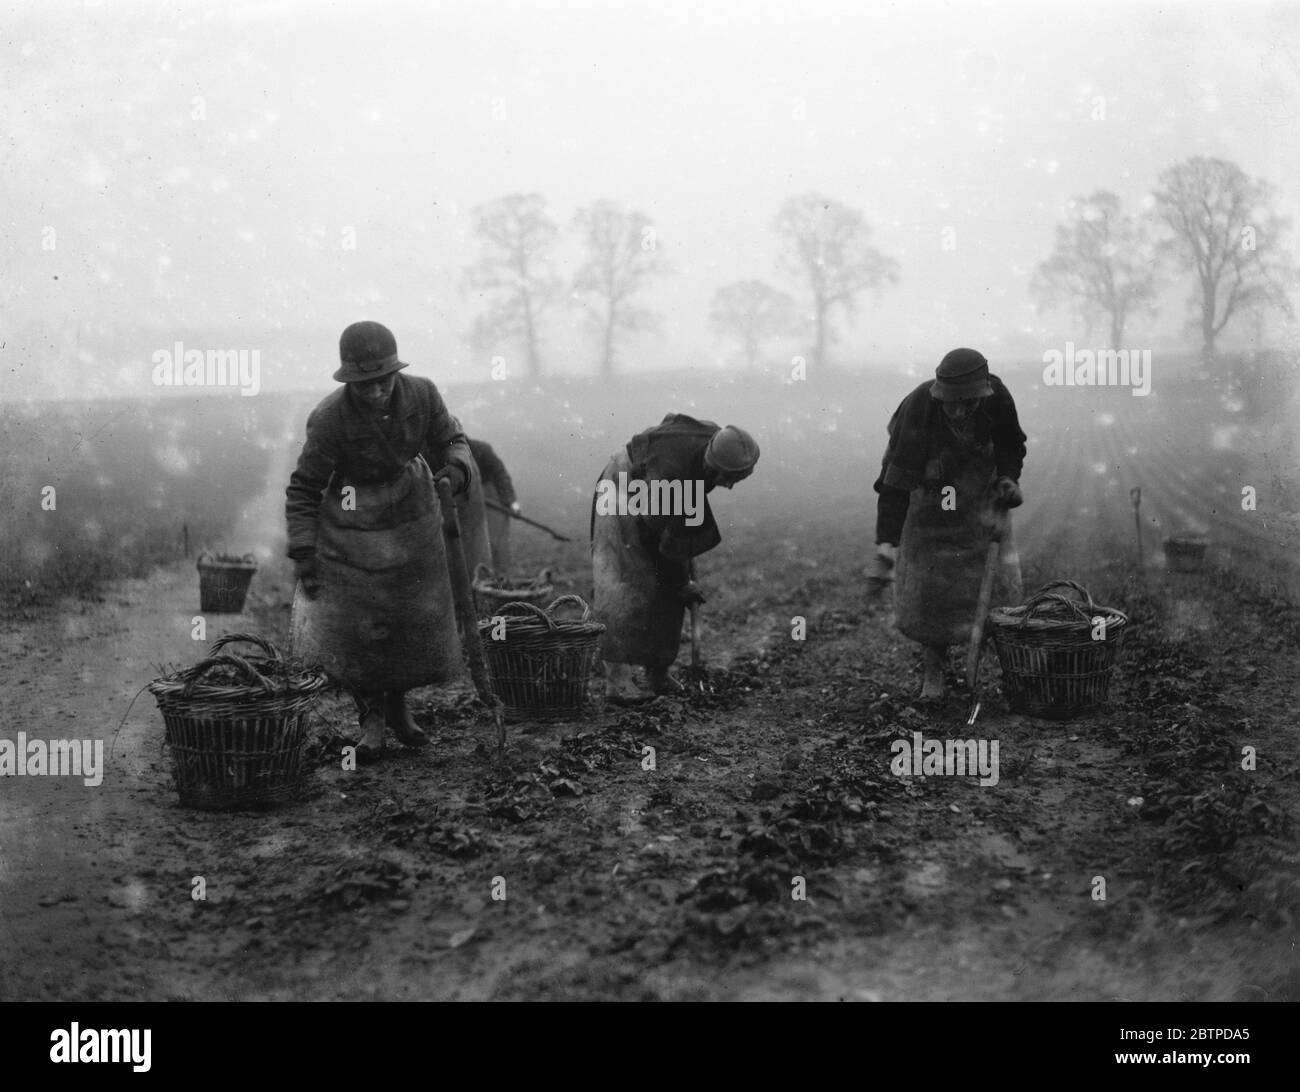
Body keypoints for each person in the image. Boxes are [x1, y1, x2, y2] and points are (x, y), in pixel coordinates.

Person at [285, 320, 473, 762]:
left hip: (412, 514)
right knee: (364, 627)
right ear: (348, 380)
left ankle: (399, 711)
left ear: (396, 373)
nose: (374, 392)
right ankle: (371, 722)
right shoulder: (329, 418)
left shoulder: (423, 394)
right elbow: (304, 488)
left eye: (382, 381)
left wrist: (457, 468)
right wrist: (304, 552)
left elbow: (452, 439)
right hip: (351, 522)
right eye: (363, 384)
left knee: (406, 618)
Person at [867, 348, 1026, 701]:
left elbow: (1012, 445)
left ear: (981, 395)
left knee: (994, 593)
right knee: (930, 593)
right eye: (950, 403)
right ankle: (934, 671)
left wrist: (1008, 478)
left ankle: (1001, 670)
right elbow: (893, 485)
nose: (957, 410)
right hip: (929, 507)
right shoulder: (919, 410)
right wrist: (885, 547)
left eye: (966, 403)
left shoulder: (998, 398)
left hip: (981, 505)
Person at [591, 413, 759, 704]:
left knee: (669, 588)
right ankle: (617, 680)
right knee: (623, 577)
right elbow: (660, 539)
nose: (727, 486)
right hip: (621, 485)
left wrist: (681, 575)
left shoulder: (716, 442)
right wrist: (683, 580)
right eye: (726, 479)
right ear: (712, 465)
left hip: (660, 489)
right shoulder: (673, 474)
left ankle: (657, 672)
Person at [468, 437, 521, 574]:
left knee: (495, 543)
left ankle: (501, 583)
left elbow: (500, 474)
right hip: (465, 501)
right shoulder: (443, 453)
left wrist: (511, 502)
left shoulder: (481, 449)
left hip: (491, 498)